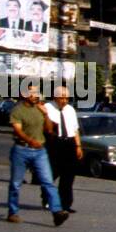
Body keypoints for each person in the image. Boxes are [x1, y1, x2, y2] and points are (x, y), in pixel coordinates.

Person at [6, 82, 69, 226]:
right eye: (32, 93)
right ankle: (13, 212)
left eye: (37, 92)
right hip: (21, 150)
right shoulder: (17, 111)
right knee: (15, 183)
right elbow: (18, 130)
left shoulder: (40, 109)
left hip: (40, 151)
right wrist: (30, 140)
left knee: (48, 182)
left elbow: (49, 129)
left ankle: (57, 212)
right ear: (24, 94)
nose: (35, 95)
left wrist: (46, 114)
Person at [42, 86, 83, 214]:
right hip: (54, 143)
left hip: (69, 143)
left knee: (68, 175)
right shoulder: (47, 108)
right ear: (55, 97)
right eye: (62, 98)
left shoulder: (70, 110)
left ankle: (65, 204)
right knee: (52, 173)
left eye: (66, 98)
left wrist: (78, 146)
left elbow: (75, 129)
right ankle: (47, 198)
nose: (64, 100)